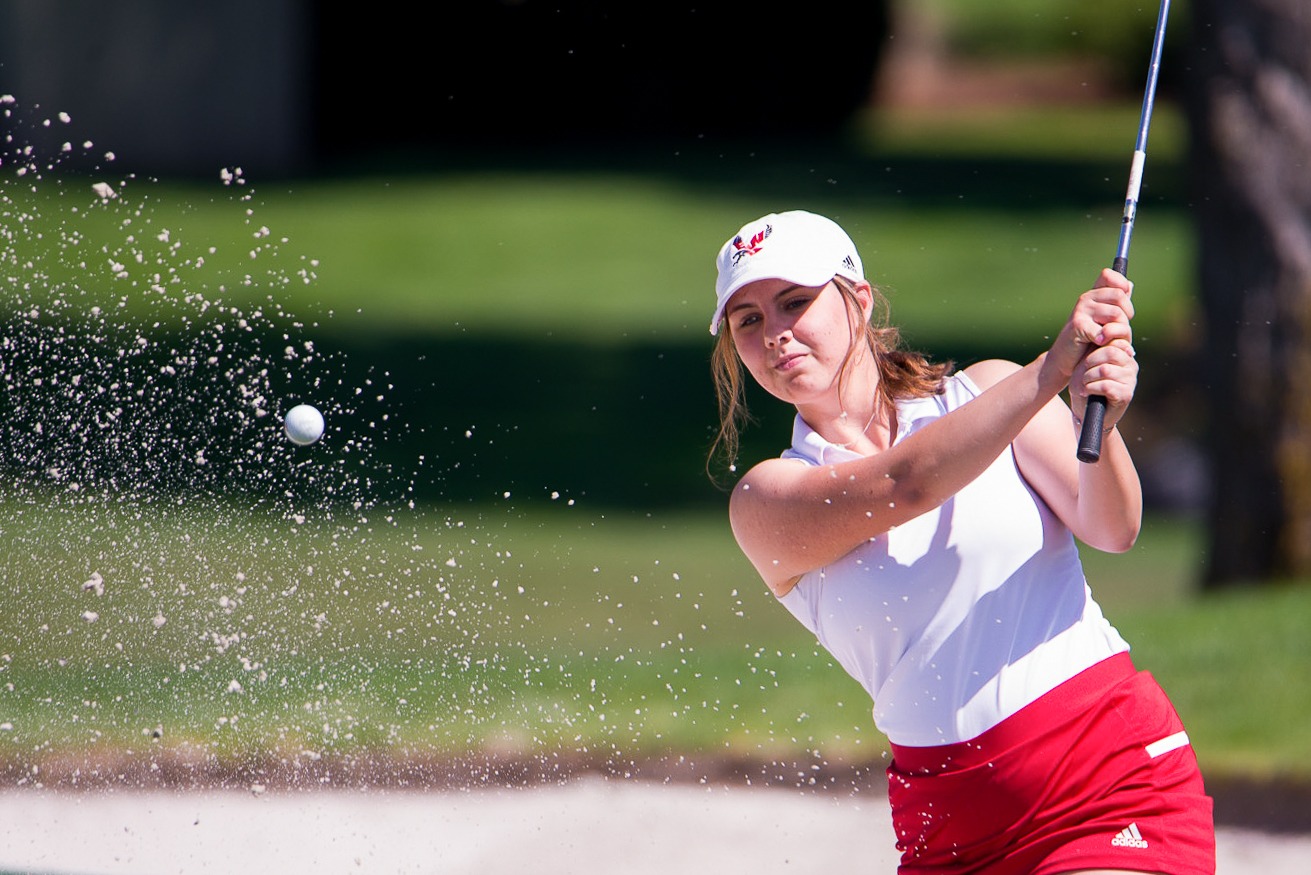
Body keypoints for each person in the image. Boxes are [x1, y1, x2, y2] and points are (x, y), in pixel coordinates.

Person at [707, 210, 1215, 875]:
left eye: (795, 303)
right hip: (949, 830)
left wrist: (1102, 420)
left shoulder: (987, 390)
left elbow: (1113, 528)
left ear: (857, 301)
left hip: (1103, 780)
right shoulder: (767, 499)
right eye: (747, 320)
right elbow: (905, 483)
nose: (775, 332)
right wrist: (1049, 371)